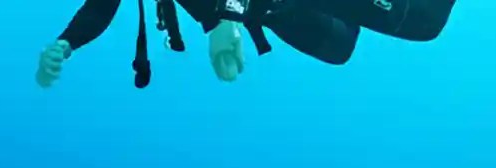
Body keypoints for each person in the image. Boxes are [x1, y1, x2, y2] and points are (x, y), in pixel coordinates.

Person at [36, 0, 456, 87]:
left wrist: (228, 16)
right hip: (277, 12)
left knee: (421, 21)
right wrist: (65, 43)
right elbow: (99, 7)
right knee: (339, 49)